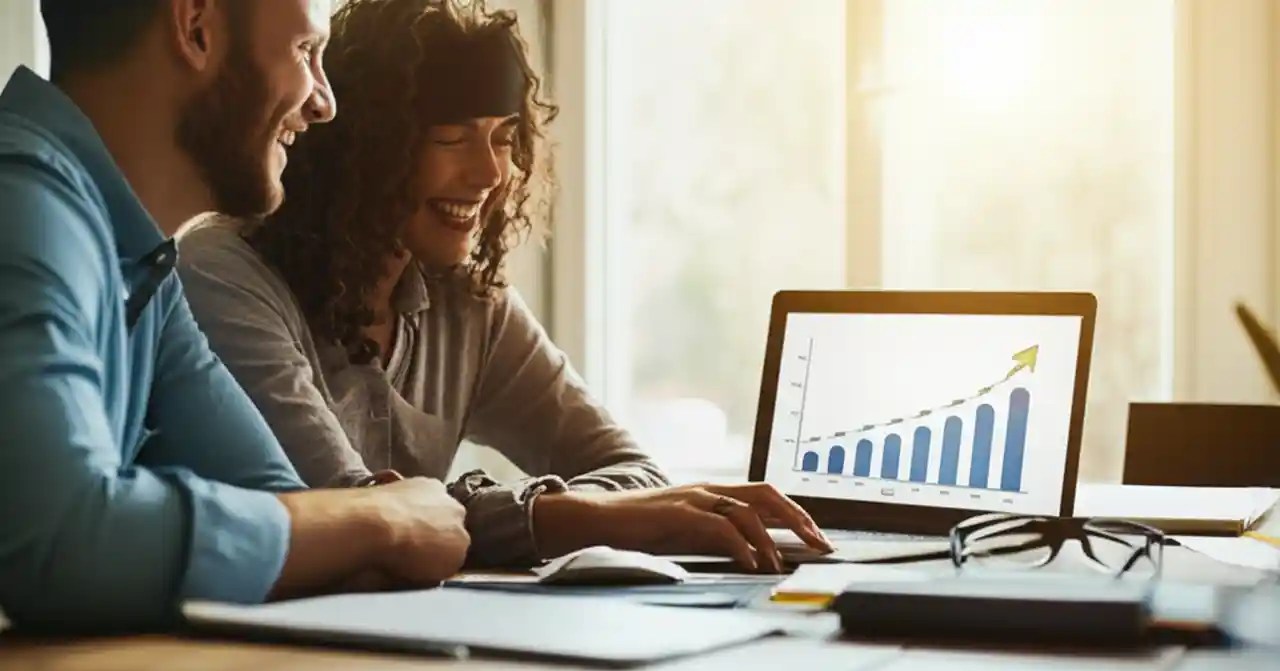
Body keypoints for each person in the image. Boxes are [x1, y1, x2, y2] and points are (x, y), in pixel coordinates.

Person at [179, 0, 834, 575]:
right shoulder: (225, 270)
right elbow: (351, 513)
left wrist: (614, 512)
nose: (490, 171)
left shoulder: (470, 303)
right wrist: (582, 516)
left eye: (504, 137)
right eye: (451, 138)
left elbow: (632, 472)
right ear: (360, 149)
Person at [0, 0, 474, 632]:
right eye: (306, 52)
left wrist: (356, 532)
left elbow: (284, 508)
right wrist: (381, 518)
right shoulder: (20, 204)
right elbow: (66, 542)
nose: (324, 103)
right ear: (196, 28)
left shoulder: (144, 267)